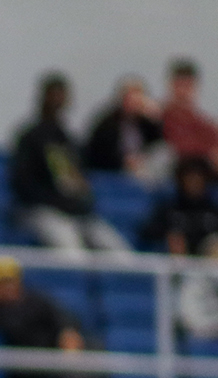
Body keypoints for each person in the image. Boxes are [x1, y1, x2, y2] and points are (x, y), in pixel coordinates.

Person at [9, 73, 130, 256]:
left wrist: (81, 200)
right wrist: (56, 202)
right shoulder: (30, 137)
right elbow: (22, 184)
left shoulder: (68, 141)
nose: (58, 101)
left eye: (62, 96)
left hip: (75, 213)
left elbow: (79, 181)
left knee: (118, 250)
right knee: (71, 247)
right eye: (53, 95)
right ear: (43, 97)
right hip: (40, 210)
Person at [143, 157, 218, 256]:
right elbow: (148, 233)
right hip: (176, 261)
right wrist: (168, 237)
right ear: (181, 181)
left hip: (209, 263)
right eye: (190, 179)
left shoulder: (216, 209)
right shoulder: (169, 208)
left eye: (198, 179)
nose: (194, 184)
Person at [161, 60, 218, 180]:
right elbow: (173, 148)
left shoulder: (204, 123)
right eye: (179, 86)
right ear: (171, 86)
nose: (183, 92)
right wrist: (208, 153)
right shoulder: (160, 118)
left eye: (188, 86)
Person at [83, 77, 165, 175]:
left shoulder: (144, 122)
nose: (134, 103)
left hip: (141, 166)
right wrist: (124, 161)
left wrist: (154, 118)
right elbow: (101, 153)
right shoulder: (108, 123)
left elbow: (157, 143)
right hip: (113, 170)